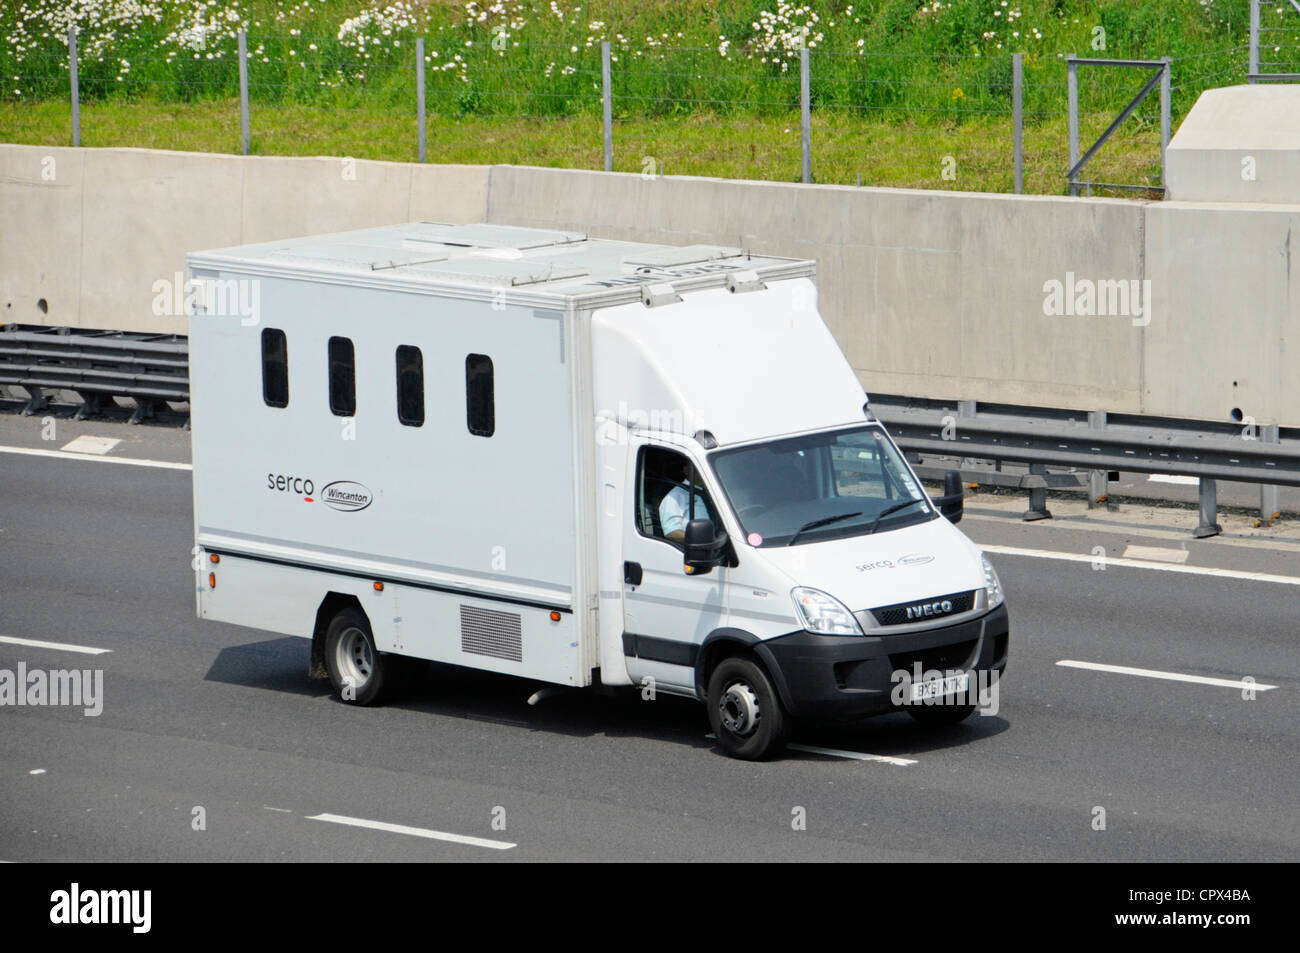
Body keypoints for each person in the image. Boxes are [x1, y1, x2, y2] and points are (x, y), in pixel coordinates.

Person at [658, 458, 713, 542]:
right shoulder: (674, 497)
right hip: (700, 551)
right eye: (700, 467)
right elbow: (672, 532)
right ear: (686, 470)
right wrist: (700, 541)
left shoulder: (713, 493)